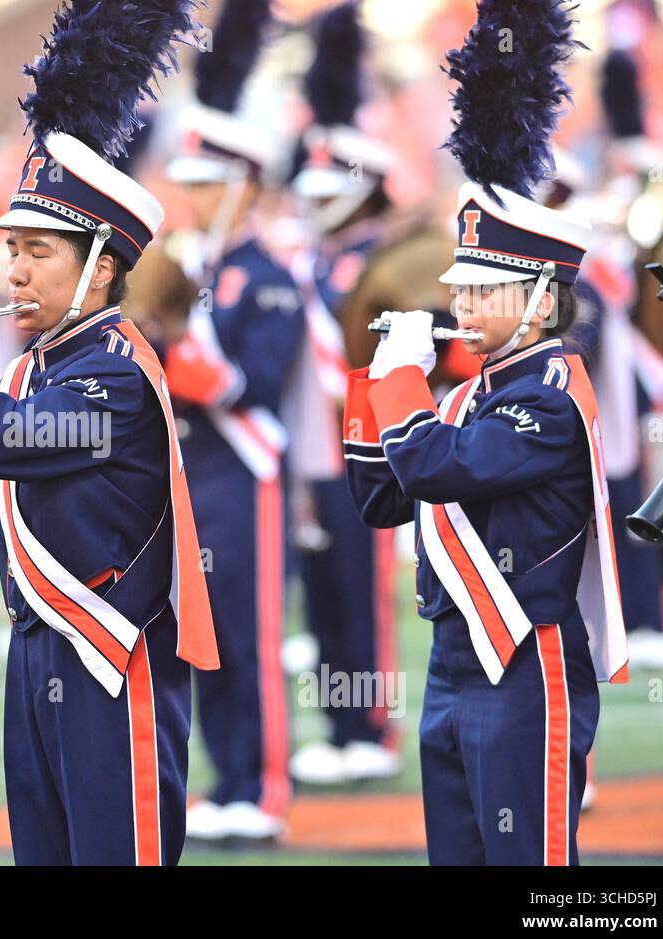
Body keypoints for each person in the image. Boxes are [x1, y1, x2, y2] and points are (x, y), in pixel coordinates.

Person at [0, 0, 216, 866]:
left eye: (39, 251)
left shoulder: (112, 369)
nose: (16, 269)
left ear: (101, 267)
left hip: (111, 658)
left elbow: (0, 443)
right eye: (14, 249)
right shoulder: (39, 368)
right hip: (40, 651)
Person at [343, 0, 627, 865]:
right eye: (459, 285)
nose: (460, 303)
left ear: (541, 299)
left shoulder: (545, 394)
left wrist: (397, 382)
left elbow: (435, 466)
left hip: (521, 661)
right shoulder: (476, 391)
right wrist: (373, 383)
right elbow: (383, 499)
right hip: (454, 655)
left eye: (484, 289)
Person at [160, 0, 304, 845]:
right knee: (195, 633)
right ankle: (224, 777)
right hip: (187, 472)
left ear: (245, 185)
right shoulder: (185, 266)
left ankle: (262, 786)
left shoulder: (269, 277)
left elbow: (253, 385)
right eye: (191, 181)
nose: (196, 195)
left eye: (211, 182)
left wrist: (182, 338)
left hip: (243, 474)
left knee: (246, 638)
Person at [284, 1, 406, 785]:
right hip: (314, 449)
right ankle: (338, 723)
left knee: (363, 596)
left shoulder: (388, 264)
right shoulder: (312, 262)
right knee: (325, 595)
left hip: (365, 450)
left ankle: (371, 728)